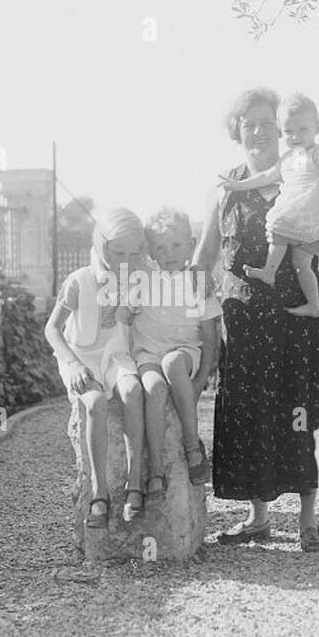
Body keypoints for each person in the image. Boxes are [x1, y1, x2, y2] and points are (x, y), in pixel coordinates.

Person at [192, 88, 319, 552]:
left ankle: (307, 519)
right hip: (242, 315)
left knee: (303, 406)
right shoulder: (225, 187)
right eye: (248, 123)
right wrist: (189, 315)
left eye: (265, 122)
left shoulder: (303, 172)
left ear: (281, 129)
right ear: (236, 131)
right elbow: (204, 258)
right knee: (250, 409)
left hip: (296, 310)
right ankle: (257, 518)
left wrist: (312, 244)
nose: (257, 131)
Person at [44, 208, 148, 527]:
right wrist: (72, 364)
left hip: (115, 356)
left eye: (133, 254)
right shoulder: (80, 281)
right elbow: (52, 329)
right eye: (118, 253)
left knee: (132, 391)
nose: (124, 261)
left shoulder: (135, 279)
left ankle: (134, 484)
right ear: (101, 245)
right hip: (83, 358)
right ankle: (99, 493)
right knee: (96, 403)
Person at [129, 207, 221, 513]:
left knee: (172, 364)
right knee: (153, 388)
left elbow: (210, 340)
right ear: (150, 252)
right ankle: (155, 472)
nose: (169, 254)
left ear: (192, 245)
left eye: (177, 245)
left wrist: (200, 381)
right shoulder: (144, 280)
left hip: (184, 353)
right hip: (149, 355)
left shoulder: (198, 284)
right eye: (160, 247)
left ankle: (193, 447)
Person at [226, 92, 319, 318]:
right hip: (295, 219)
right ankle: (282, 281)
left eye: (303, 130)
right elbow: (266, 177)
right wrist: (238, 185)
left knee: (290, 245)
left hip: (310, 220)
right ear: (282, 131)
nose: (296, 136)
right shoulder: (288, 159)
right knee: (299, 261)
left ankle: (305, 299)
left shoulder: (317, 153)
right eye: (289, 131)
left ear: (317, 127)